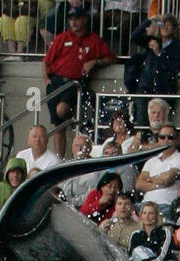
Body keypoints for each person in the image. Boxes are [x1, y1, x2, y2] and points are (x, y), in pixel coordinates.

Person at [41, 7, 114, 158]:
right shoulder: (62, 37)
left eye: (77, 18)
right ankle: (59, 159)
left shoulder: (93, 39)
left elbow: (111, 58)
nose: (73, 22)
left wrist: (95, 61)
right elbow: (47, 61)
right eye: (71, 18)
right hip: (56, 82)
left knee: (61, 111)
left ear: (85, 19)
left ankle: (73, 115)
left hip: (74, 83)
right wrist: (46, 79)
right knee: (57, 126)